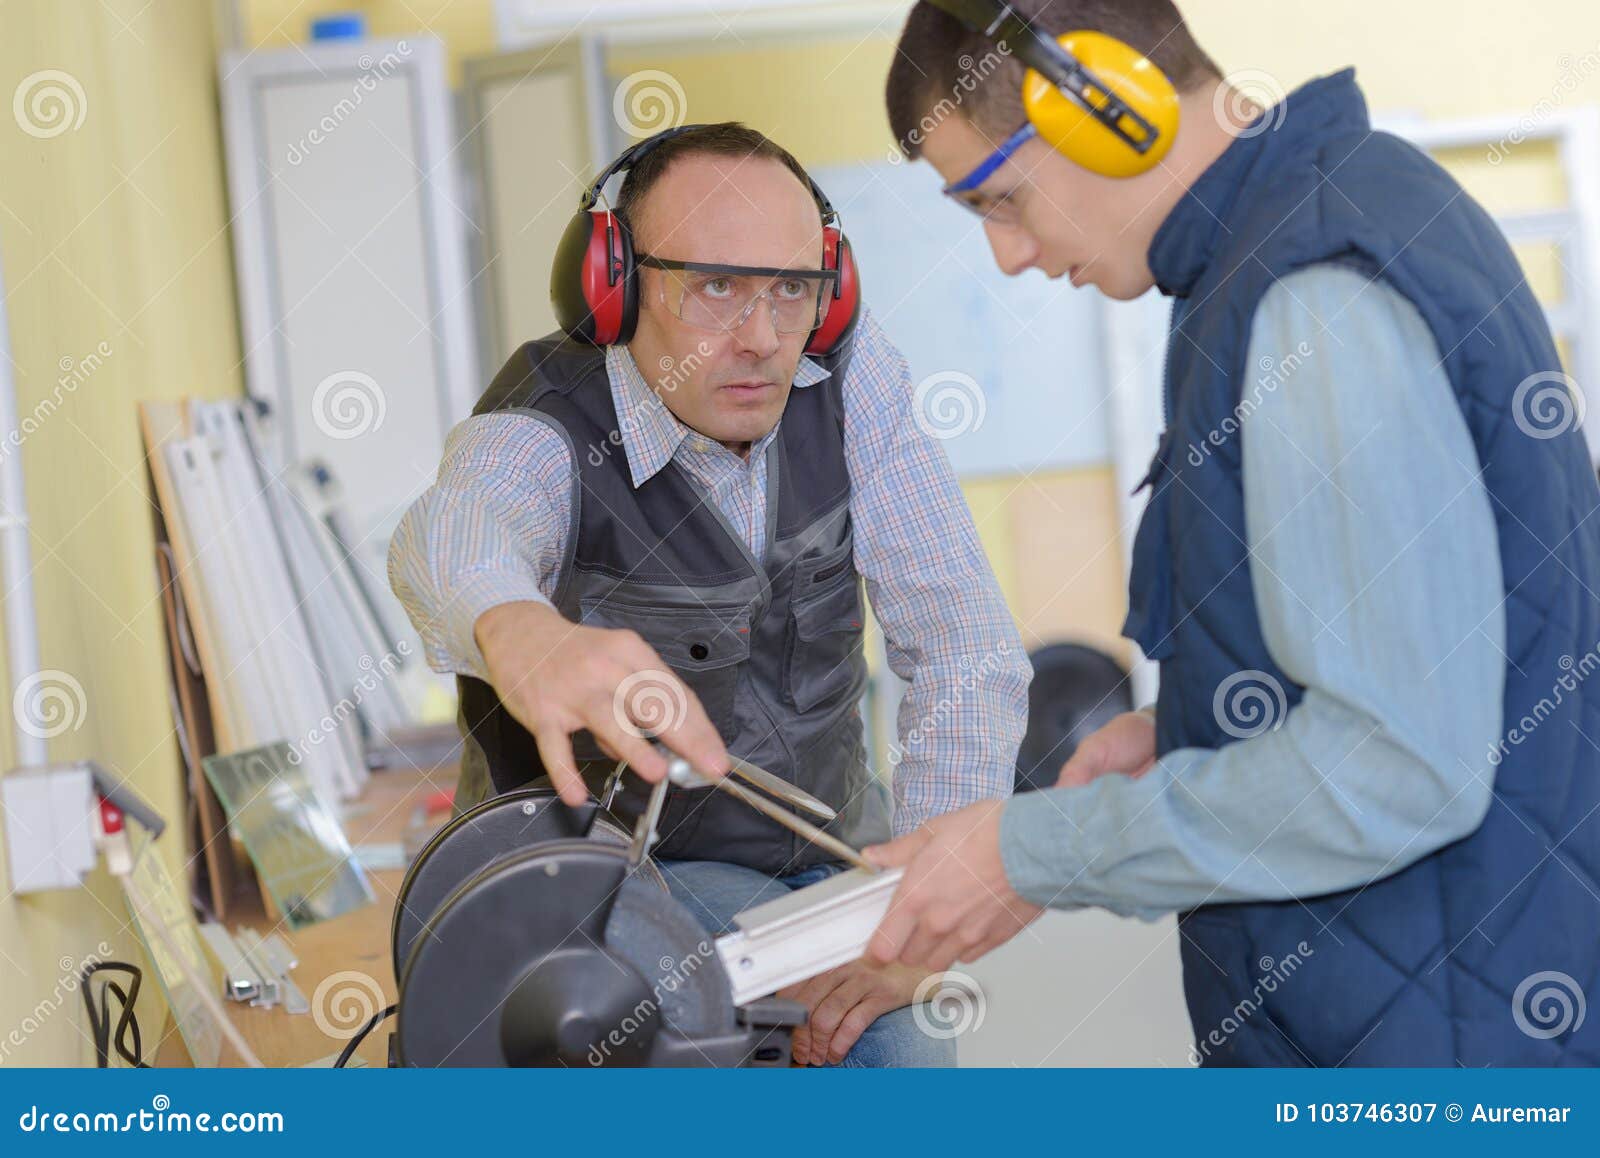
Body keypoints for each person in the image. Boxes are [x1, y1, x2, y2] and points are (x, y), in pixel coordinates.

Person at [865, 0, 1600, 1066]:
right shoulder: (1333, 218)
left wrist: (1026, 852)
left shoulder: (1310, 293)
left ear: (1106, 108)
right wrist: (1198, 728)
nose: (1006, 256)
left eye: (1001, 198)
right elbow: (1432, 660)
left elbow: (1395, 766)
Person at [389, 122, 1031, 1067]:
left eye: (792, 287)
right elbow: (451, 531)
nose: (764, 338)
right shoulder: (546, 417)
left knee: (905, 1057)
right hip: (604, 882)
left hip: (824, 859)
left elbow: (963, 642)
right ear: (617, 283)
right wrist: (523, 630)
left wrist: (919, 919)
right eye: (717, 285)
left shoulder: (851, 383)